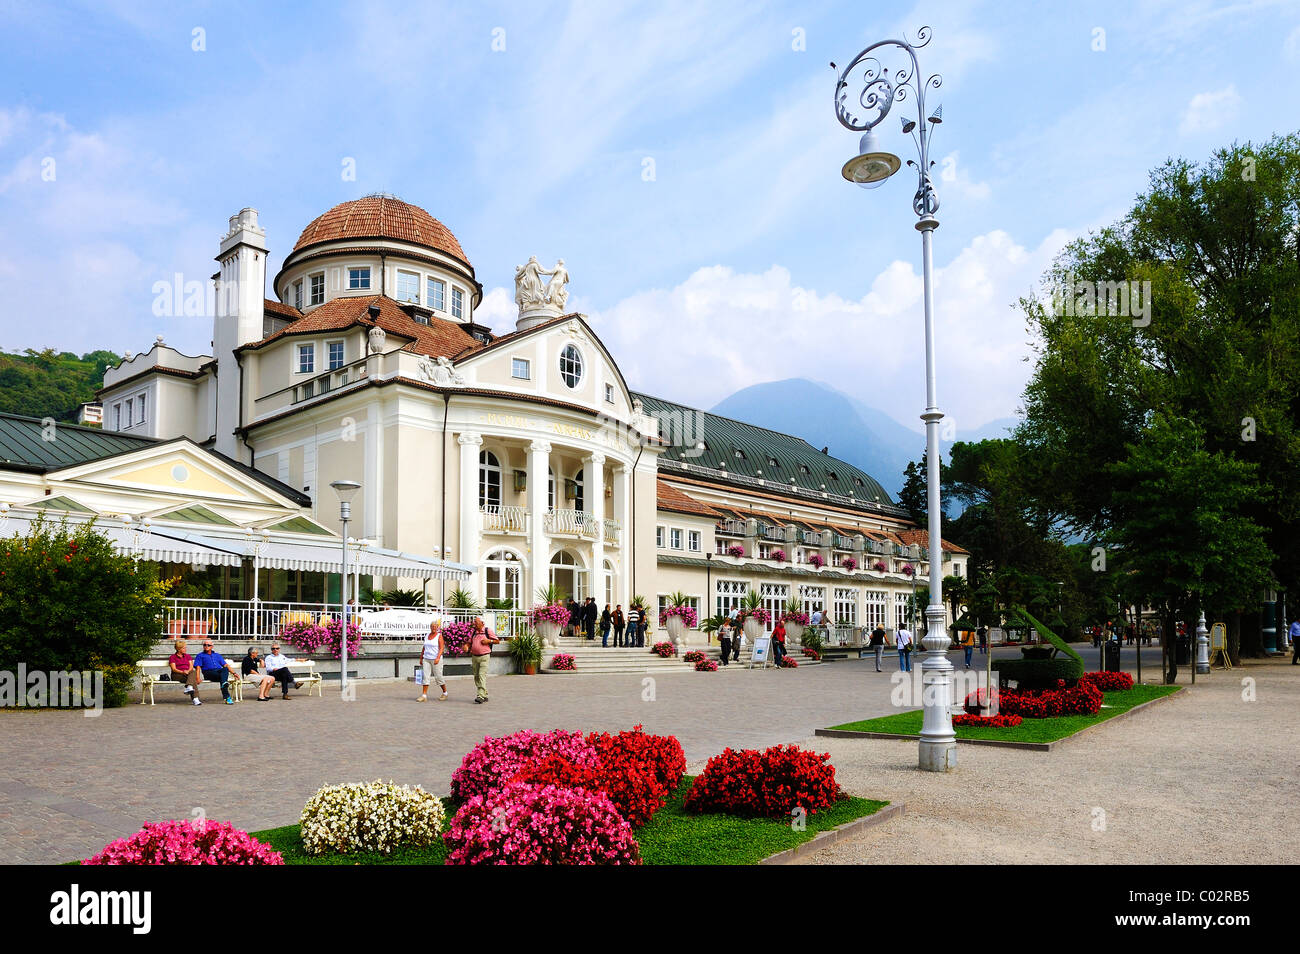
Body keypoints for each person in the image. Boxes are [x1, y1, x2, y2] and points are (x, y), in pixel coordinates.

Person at [193, 640, 239, 704]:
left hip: (218, 672)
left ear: (212, 646)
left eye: (208, 645)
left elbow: (226, 665)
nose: (206, 646)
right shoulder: (200, 655)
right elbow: (198, 667)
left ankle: (225, 691)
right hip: (208, 673)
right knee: (223, 680)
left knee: (225, 670)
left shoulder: (217, 655)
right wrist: (197, 677)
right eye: (205, 645)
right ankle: (227, 697)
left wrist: (234, 673)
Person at [469, 616, 501, 703]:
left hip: (484, 656)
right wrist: (466, 646)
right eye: (475, 622)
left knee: (481, 675)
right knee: (476, 676)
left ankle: (480, 696)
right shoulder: (474, 632)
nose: (475, 624)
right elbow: (470, 642)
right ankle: (485, 693)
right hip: (474, 656)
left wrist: (488, 641)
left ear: (482, 623)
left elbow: (497, 641)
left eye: (476, 622)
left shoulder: (488, 631)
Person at [418, 618, 448, 702]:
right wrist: (421, 657)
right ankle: (424, 695)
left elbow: (441, 648)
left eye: (435, 626)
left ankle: (445, 692)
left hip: (435, 659)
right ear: (430, 627)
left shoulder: (439, 636)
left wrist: (438, 657)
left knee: (438, 676)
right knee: (425, 676)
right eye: (432, 626)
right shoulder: (427, 635)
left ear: (438, 627)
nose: (434, 628)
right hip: (426, 658)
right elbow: (424, 647)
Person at [167, 638, 202, 705]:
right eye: (184, 648)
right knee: (192, 680)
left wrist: (187, 671)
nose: (185, 649)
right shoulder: (172, 657)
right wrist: (182, 672)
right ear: (178, 649)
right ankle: (195, 699)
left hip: (187, 674)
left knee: (193, 672)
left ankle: (189, 688)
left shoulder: (188, 656)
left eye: (185, 648)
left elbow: (191, 667)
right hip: (177, 675)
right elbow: (174, 669)